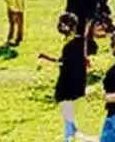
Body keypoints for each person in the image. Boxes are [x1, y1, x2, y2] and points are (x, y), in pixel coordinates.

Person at [39, 12, 91, 142]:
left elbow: (63, 62)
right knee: (69, 111)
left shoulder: (72, 45)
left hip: (69, 82)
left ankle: (68, 136)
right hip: (74, 80)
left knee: (67, 110)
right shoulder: (78, 41)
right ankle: (72, 133)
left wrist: (46, 58)